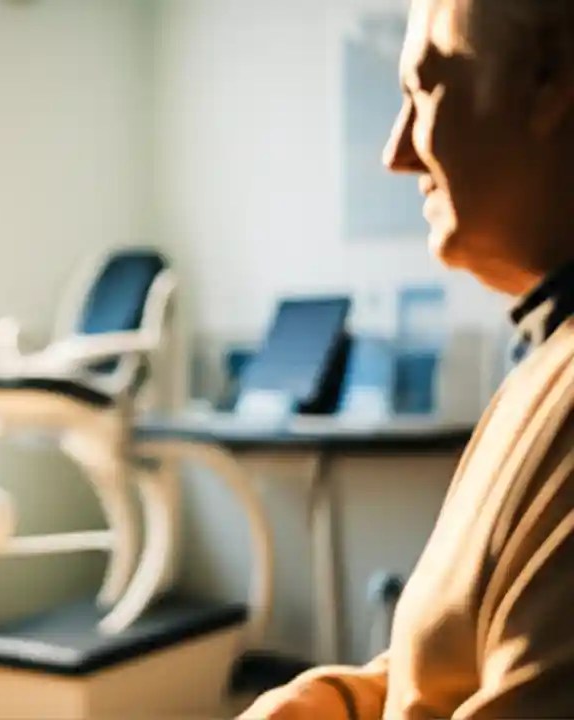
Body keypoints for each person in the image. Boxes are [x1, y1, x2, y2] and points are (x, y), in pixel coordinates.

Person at [241, 0, 574, 718]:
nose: (396, 154)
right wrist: (323, 702)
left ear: (553, 78)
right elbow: (457, 655)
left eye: (425, 91)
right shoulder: (544, 362)